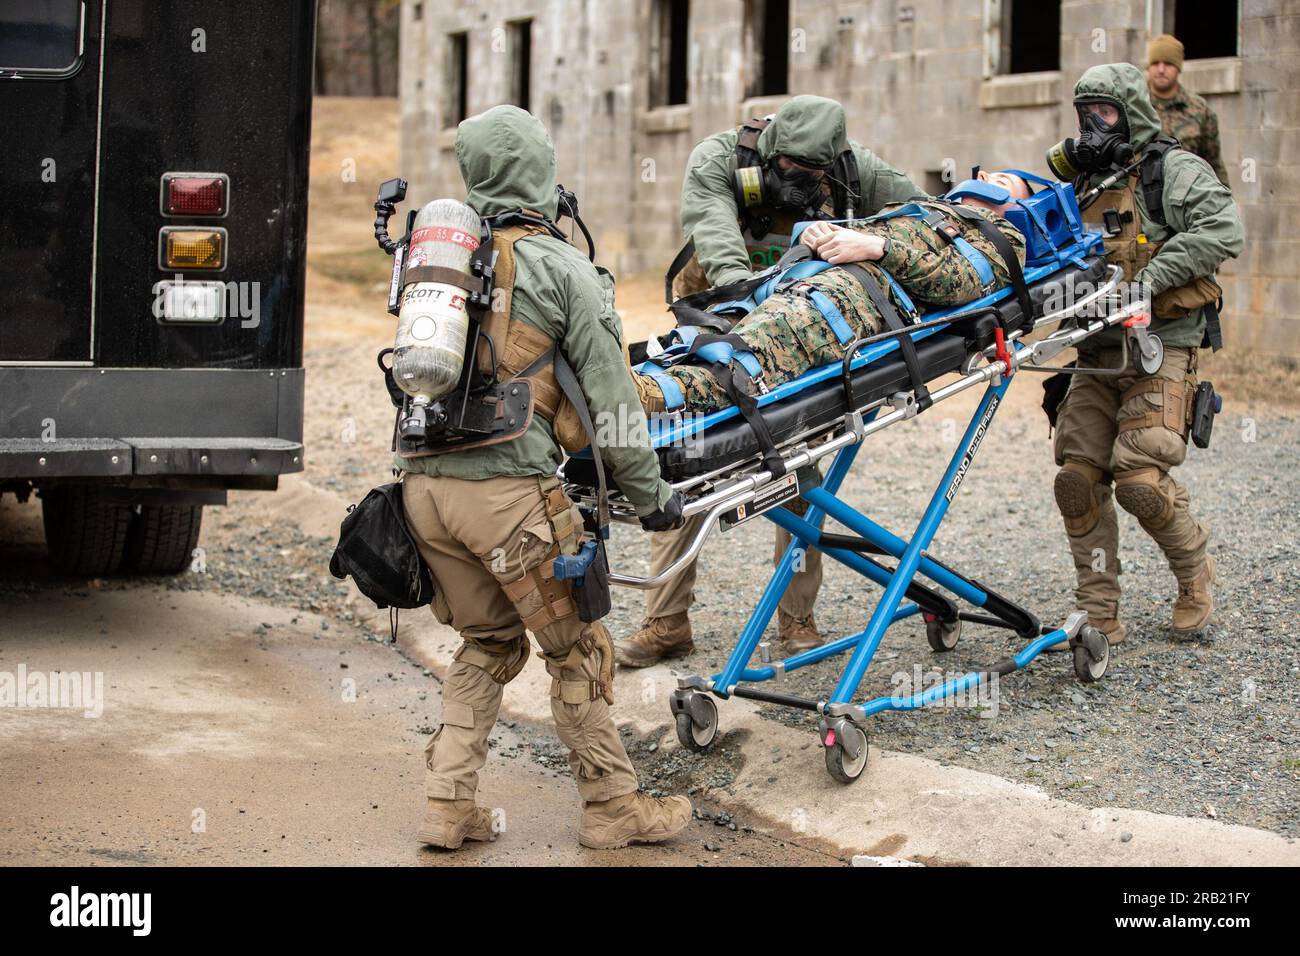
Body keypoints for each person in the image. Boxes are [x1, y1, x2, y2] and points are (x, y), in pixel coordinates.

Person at [396, 105, 692, 851]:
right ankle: (614, 807)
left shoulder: (439, 263)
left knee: (489, 644)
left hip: (425, 496)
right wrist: (653, 497)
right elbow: (613, 398)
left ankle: (446, 805)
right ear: (541, 172)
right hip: (508, 502)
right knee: (579, 650)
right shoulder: (561, 267)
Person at [617, 95, 927, 667]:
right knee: (687, 459)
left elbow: (925, 217)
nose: (794, 183)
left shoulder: (859, 170)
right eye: (785, 170)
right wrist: (751, 312)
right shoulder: (719, 160)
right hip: (716, 319)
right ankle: (665, 623)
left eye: (809, 175)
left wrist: (875, 245)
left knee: (800, 464)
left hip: (801, 337)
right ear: (769, 149)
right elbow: (717, 241)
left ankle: (796, 619)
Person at [1050, 64, 1243, 647]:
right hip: (1096, 351)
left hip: (1162, 346)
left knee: (1139, 477)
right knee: (1077, 480)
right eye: (1085, 113)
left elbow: (1224, 230)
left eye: (1104, 112)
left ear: (1131, 113)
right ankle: (1098, 608)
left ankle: (1194, 574)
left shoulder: (1174, 172)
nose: (1092, 125)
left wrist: (1150, 279)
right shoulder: (1080, 183)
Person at [631, 173, 1031, 413]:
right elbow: (859, 233)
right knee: (710, 327)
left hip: (854, 298)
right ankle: (628, 382)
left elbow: (959, 284)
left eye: (1004, 182)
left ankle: (658, 395)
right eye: (990, 174)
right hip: (805, 274)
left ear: (1016, 204)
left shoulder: (1002, 235)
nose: (989, 178)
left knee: (758, 350)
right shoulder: (919, 206)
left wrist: (880, 249)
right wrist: (818, 232)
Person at [1146, 33, 1230, 186]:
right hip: (1140, 199)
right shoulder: (1135, 104)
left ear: (1178, 67)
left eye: (1168, 63)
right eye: (1155, 63)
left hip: (1184, 197)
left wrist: (1225, 201)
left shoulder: (1199, 110)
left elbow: (1213, 164)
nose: (1161, 69)